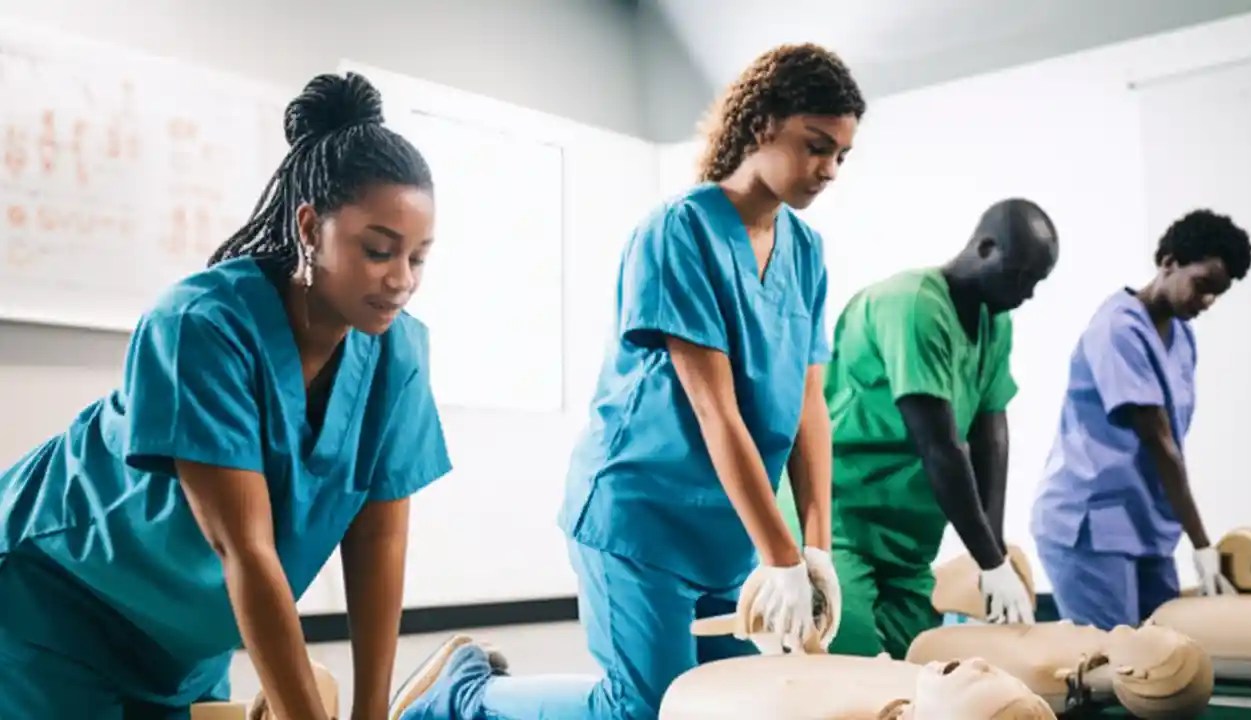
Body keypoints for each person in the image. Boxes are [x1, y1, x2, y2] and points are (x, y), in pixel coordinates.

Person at [393, 43, 866, 720]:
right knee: (643, 712)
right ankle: (463, 698)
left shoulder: (808, 252)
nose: (830, 170)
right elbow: (715, 409)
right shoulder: (679, 231)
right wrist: (782, 556)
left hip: (732, 537)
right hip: (640, 517)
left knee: (735, 708)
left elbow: (808, 406)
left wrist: (813, 550)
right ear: (764, 124)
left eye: (842, 155)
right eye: (817, 146)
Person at [0, 72, 449, 719]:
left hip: (182, 642)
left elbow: (378, 541)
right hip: (55, 599)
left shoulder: (399, 353)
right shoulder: (201, 324)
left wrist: (371, 712)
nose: (401, 279)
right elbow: (246, 549)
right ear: (308, 226)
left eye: (419, 257)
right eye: (379, 250)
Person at [778, 199, 1060, 659]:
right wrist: (990, 559)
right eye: (1022, 275)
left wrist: (995, 554)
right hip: (837, 522)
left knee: (918, 672)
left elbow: (992, 440)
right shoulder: (912, 305)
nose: (1028, 293)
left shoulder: (995, 324)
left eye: (1038, 282)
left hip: (907, 544)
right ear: (986, 248)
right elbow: (941, 446)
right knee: (849, 673)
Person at [1031, 209, 1251, 631]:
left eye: (1216, 294)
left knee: (1168, 658)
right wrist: (1202, 545)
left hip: (1146, 527)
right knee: (1120, 665)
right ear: (1169, 262)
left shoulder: (1183, 336)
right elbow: (1160, 443)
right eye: (1202, 286)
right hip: (1089, 525)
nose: (1206, 302)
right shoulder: (1118, 328)